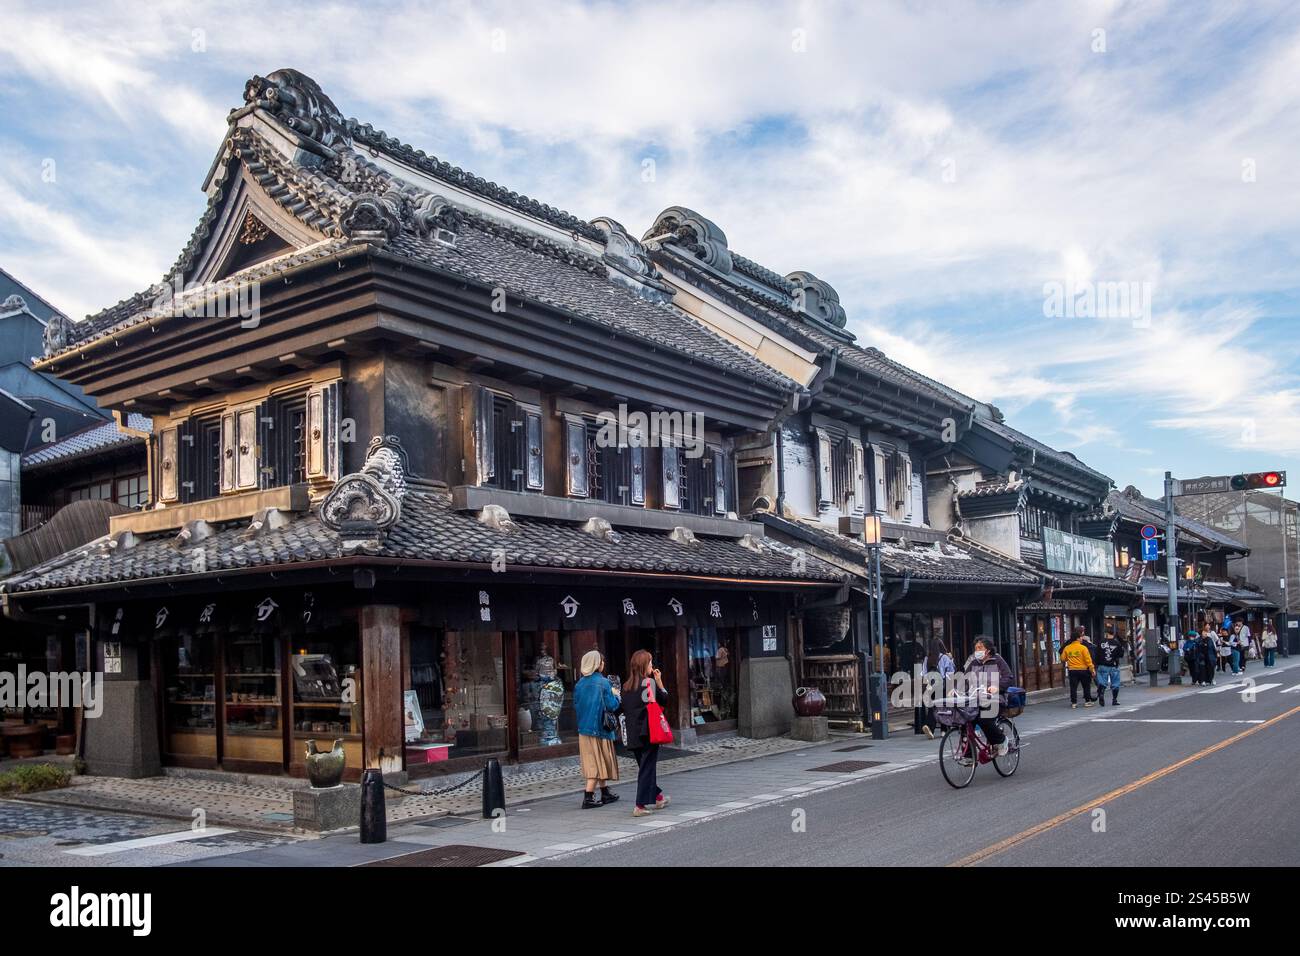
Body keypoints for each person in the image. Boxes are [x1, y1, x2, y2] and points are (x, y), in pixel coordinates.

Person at [622, 649, 670, 817]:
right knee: (647, 769)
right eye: (650, 662)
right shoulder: (649, 683)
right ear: (644, 665)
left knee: (645, 768)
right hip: (649, 732)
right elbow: (664, 700)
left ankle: (658, 797)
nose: (652, 665)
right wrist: (660, 681)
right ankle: (639, 806)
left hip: (633, 733)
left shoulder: (626, 687)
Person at [574, 650, 621, 809]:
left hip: (584, 728)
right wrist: (616, 695)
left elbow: (576, 706)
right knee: (597, 762)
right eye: (602, 661)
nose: (603, 664)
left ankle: (605, 792)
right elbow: (612, 705)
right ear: (596, 664)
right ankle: (588, 797)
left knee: (596, 760)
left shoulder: (579, 684)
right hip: (600, 728)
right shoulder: (603, 683)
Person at [961, 637, 1012, 756]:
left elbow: (1008, 677)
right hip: (976, 699)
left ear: (988, 650)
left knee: (984, 719)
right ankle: (968, 754)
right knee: (965, 721)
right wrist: (955, 689)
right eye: (976, 648)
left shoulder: (997, 660)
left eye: (980, 648)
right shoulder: (974, 663)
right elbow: (964, 679)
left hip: (995, 699)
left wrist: (997, 687)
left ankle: (1001, 740)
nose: (977, 651)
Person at [921, 638, 955, 739]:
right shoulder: (944, 657)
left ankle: (929, 727)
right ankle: (944, 730)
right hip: (942, 686)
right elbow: (950, 672)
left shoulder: (927, 658)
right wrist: (951, 659)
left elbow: (923, 673)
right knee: (943, 707)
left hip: (931, 686)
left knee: (933, 707)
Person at [1061, 626, 1097, 708]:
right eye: (1081, 637)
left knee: (1073, 687)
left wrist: (1070, 658)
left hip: (1072, 670)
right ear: (1077, 638)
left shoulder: (1067, 648)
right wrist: (1092, 670)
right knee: (1086, 686)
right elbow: (1088, 660)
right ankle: (1087, 701)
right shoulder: (1083, 648)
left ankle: (1074, 703)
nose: (1082, 639)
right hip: (1083, 670)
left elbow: (1063, 658)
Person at [1095, 626, 1125, 706]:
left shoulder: (1101, 642)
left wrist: (1096, 664)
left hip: (1102, 665)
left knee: (1102, 682)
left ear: (1106, 634)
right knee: (1115, 683)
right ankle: (1114, 700)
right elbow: (1121, 654)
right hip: (1114, 665)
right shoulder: (1117, 643)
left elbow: (1096, 653)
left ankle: (1101, 693)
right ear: (1113, 634)